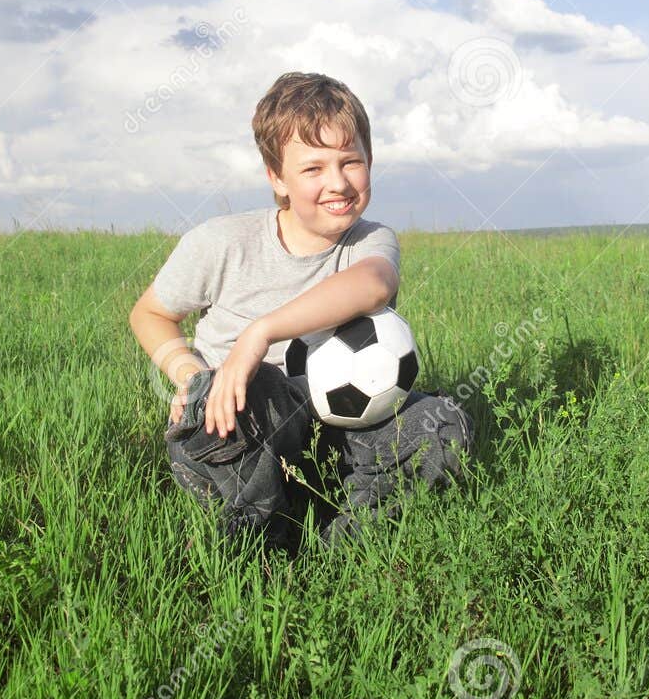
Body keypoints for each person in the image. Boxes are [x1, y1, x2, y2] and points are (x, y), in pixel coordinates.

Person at [127, 71, 474, 550]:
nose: (338, 182)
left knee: (442, 421)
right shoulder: (221, 243)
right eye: (313, 169)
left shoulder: (370, 242)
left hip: (341, 430)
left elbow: (374, 284)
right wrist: (191, 376)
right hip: (244, 426)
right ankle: (259, 540)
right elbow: (148, 314)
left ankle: (343, 543)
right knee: (243, 392)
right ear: (277, 178)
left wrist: (261, 333)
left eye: (351, 162)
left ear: (370, 162)